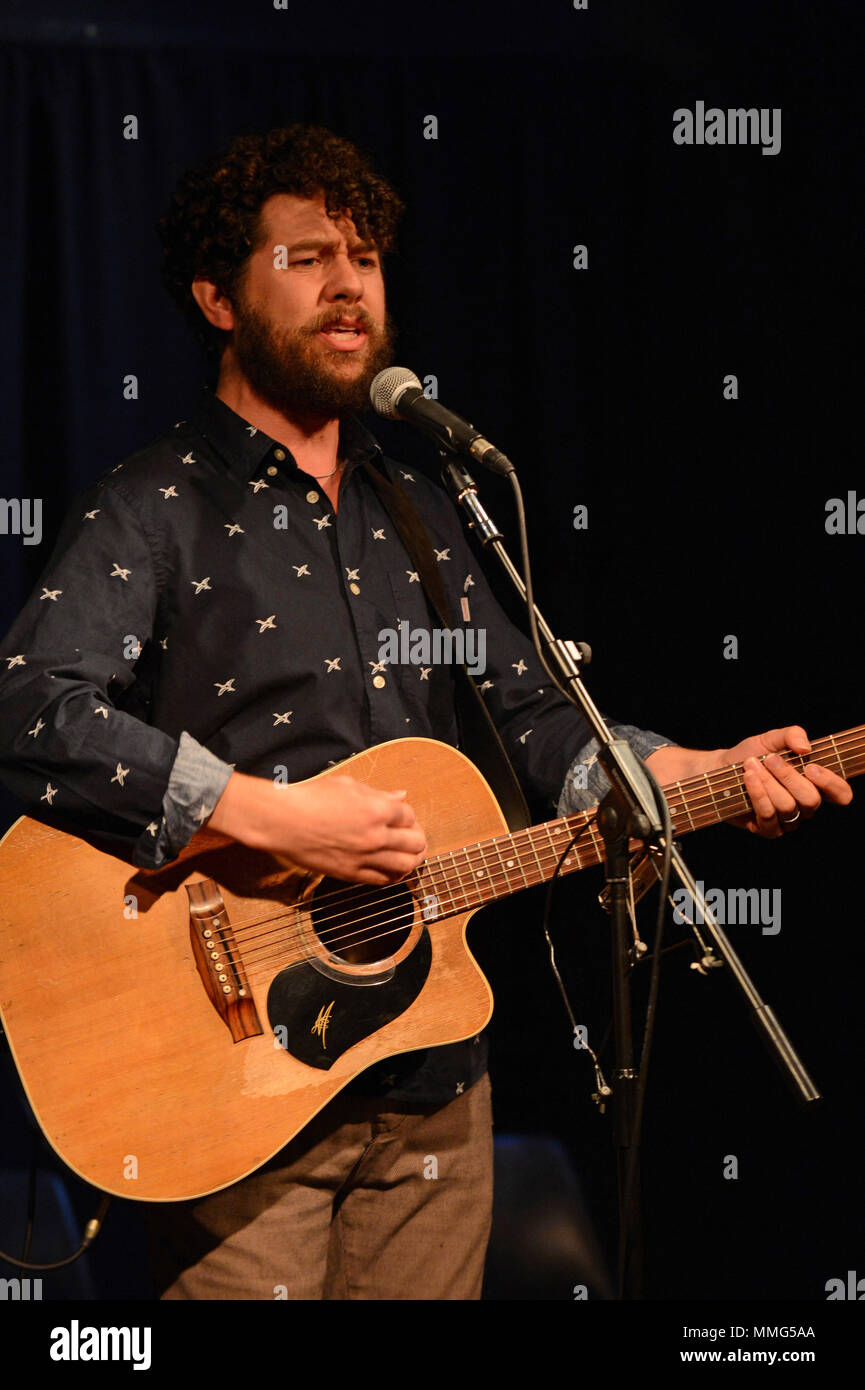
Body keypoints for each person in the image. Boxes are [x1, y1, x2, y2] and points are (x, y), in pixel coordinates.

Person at [0, 125, 852, 1300]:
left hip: (432, 1078)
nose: (349, 283)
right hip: (230, 1085)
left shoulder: (428, 504)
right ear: (216, 296)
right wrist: (271, 821)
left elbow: (542, 723)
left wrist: (691, 771)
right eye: (306, 258)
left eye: (366, 255)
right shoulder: (153, 505)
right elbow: (32, 707)